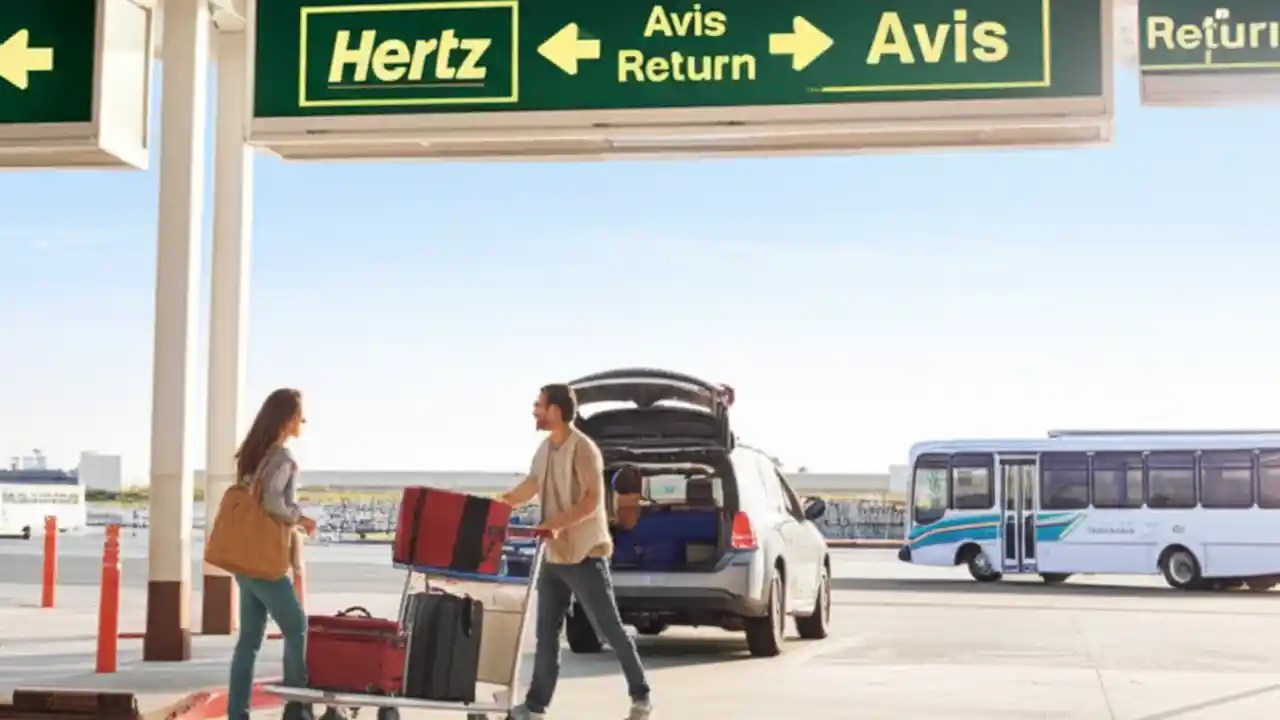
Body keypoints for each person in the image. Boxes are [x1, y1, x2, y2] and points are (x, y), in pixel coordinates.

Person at [501, 384, 652, 720]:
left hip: (585, 554)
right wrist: (500, 502)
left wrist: (557, 523)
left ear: (555, 410)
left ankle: (641, 695)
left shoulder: (584, 449)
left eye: (539, 405)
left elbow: (591, 501)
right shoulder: (544, 450)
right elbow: (531, 484)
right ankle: (536, 706)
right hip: (554, 557)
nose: (534, 410)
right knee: (546, 636)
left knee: (608, 630)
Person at [227, 388, 318, 720]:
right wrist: (301, 518)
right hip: (265, 563)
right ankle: (297, 708)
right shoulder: (283, 459)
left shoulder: (254, 454)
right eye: (300, 415)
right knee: (296, 628)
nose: (303, 421)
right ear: (288, 418)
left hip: (244, 560)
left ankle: (238, 713)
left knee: (249, 642)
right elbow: (273, 504)